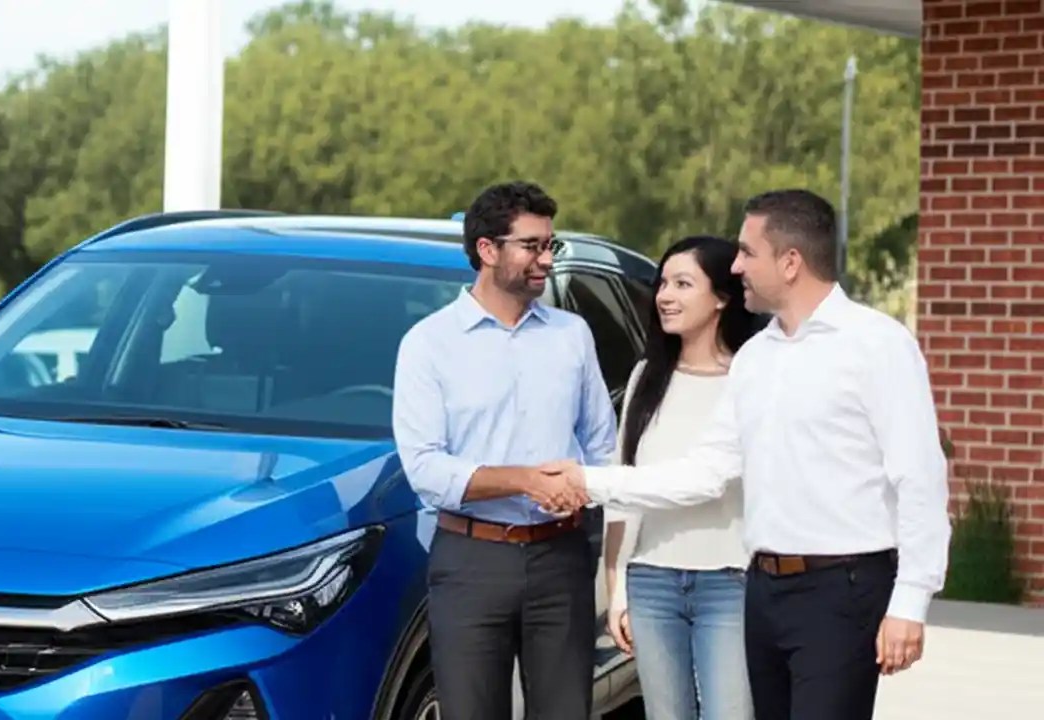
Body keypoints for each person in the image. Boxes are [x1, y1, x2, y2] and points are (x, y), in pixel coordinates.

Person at [548, 189, 950, 720]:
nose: (736, 266)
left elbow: (919, 479)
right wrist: (589, 482)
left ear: (790, 262)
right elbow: (709, 470)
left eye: (746, 252)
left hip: (843, 590)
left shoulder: (877, 345)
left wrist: (909, 602)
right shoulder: (757, 357)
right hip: (762, 591)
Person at [392, 180, 616, 720]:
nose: (546, 260)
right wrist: (525, 480)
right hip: (471, 560)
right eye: (532, 246)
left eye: (550, 246)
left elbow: (602, 445)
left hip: (561, 558)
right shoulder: (429, 343)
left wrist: (580, 489)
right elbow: (425, 468)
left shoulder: (572, 335)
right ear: (488, 251)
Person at [602, 235, 760, 720]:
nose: (665, 295)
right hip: (651, 581)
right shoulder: (647, 376)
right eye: (663, 283)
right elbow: (621, 489)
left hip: (730, 583)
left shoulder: (752, 379)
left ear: (721, 298)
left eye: (683, 283)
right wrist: (617, 589)